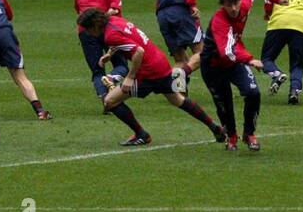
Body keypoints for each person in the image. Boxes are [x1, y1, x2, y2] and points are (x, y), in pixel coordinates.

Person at [76, 9, 227, 146]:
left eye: (88, 29)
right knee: (176, 99)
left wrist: (130, 77)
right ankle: (215, 127)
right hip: (160, 63)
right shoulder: (114, 21)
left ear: (95, 25)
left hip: (149, 72)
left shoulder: (110, 35)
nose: (88, 33)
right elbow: (126, 39)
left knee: (110, 101)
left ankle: (142, 135)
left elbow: (138, 52)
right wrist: (110, 54)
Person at [199, 0, 272, 151]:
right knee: (224, 103)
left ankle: (249, 134)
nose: (233, 8)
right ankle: (231, 136)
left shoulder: (244, 5)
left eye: (236, 3)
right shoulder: (219, 21)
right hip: (213, 67)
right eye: (228, 5)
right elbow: (226, 52)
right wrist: (250, 60)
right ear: (222, 5)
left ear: (240, 0)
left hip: (234, 62)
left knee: (253, 92)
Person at [74, 0, 124, 102]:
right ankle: (111, 79)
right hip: (107, 27)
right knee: (122, 65)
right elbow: (114, 6)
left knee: (97, 70)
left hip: (86, 30)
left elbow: (77, 8)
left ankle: (105, 99)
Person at [260, 0, 303, 104]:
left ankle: (277, 74)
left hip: (280, 22)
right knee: (297, 64)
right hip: (301, 25)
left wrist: (268, 12)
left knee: (266, 59)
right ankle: (294, 90)